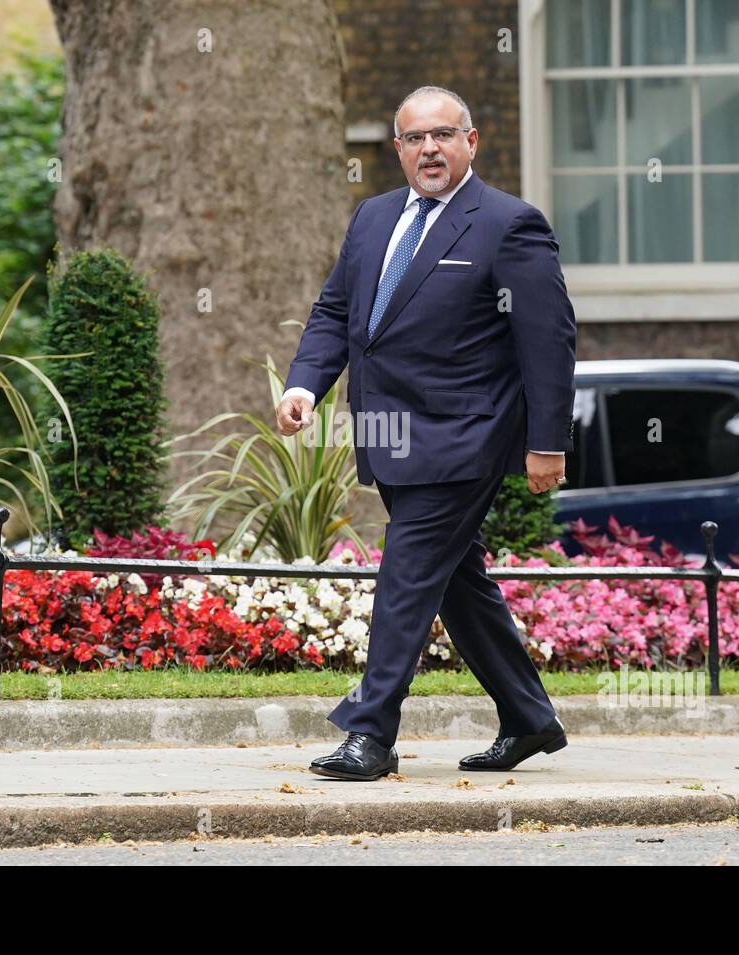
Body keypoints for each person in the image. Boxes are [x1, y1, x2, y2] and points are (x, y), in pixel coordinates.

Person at [275, 85, 576, 780]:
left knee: (406, 577)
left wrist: (547, 438)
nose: (431, 148)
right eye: (416, 138)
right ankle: (529, 716)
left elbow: (549, 339)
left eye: (445, 134)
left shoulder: (508, 223)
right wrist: (303, 386)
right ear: (399, 148)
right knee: (455, 581)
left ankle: (371, 731)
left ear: (472, 142)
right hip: (390, 435)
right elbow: (336, 311)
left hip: (465, 436)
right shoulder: (373, 216)